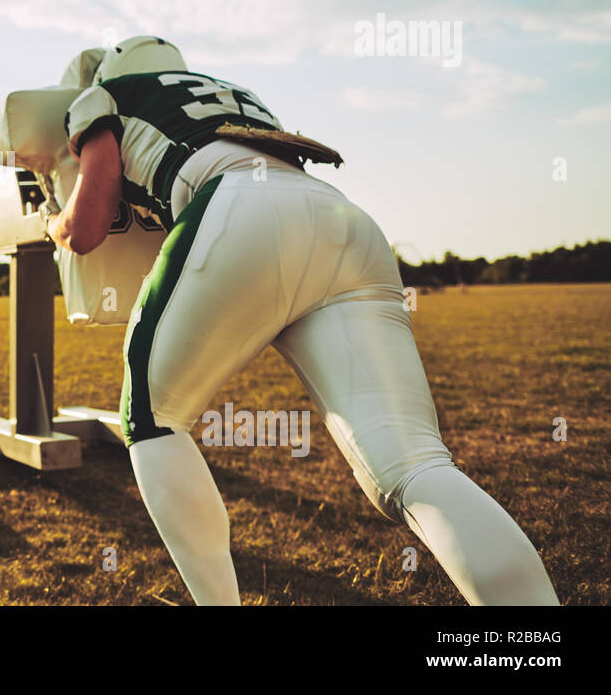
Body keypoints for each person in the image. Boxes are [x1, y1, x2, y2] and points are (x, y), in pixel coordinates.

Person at [42, 36, 559, 606]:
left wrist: (54, 224)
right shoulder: (234, 92)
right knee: (415, 464)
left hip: (239, 208)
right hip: (344, 222)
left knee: (153, 417)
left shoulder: (106, 95)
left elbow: (88, 226)